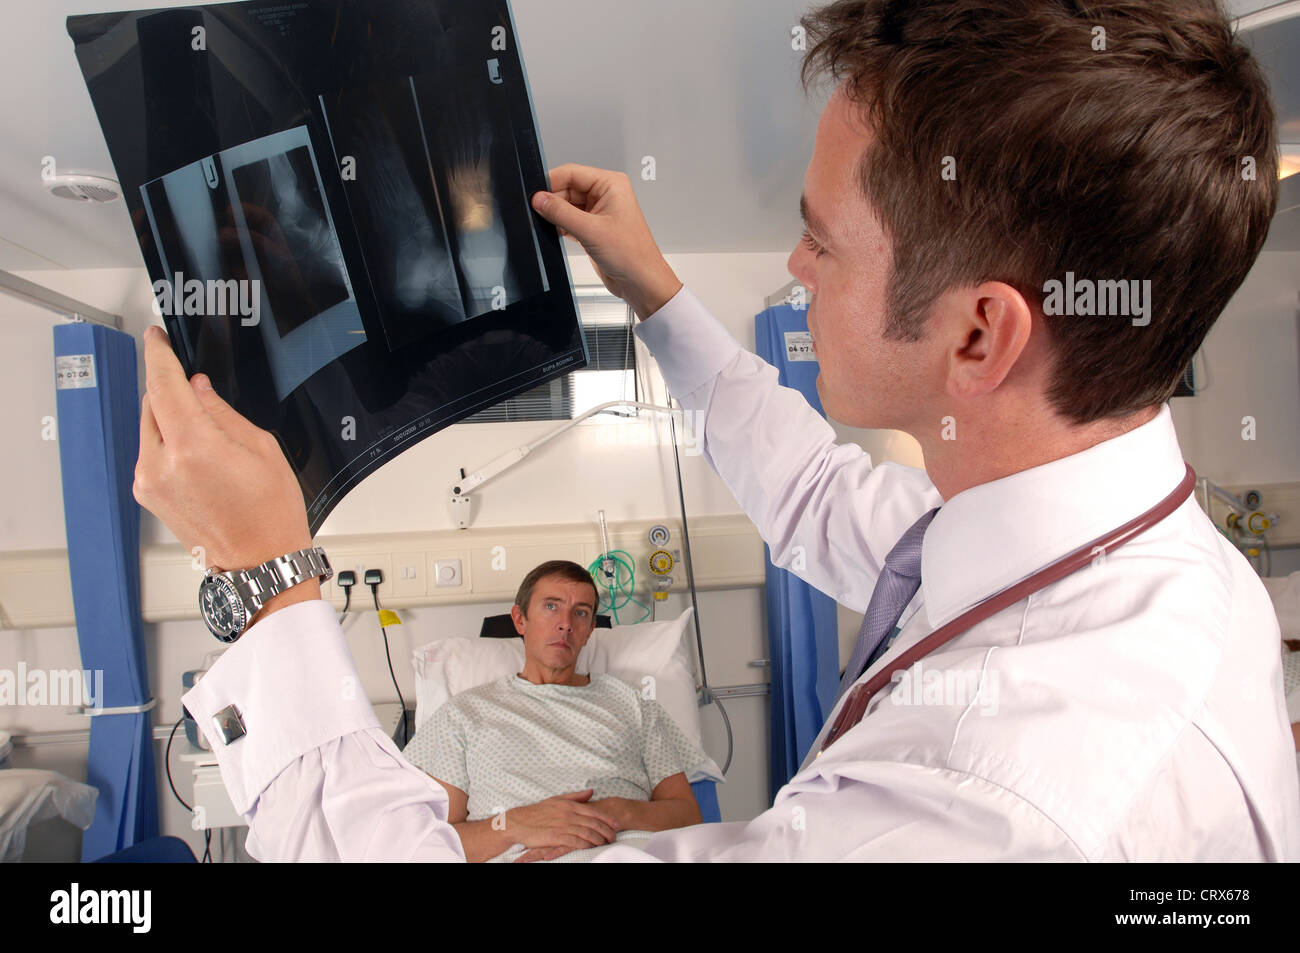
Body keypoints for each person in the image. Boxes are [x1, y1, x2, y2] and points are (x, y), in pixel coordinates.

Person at [155, 0, 1300, 860]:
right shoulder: (1129, 560)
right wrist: (655, 293)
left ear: (976, 339)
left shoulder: (991, 807)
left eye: (820, 241)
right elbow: (813, 494)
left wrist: (263, 578)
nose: (795, 269)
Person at [402, 560, 703, 862]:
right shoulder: (464, 714)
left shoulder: (632, 705)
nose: (566, 623)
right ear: (520, 620)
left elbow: (688, 815)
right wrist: (515, 826)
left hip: (628, 852)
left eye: (581, 613)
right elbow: (436, 845)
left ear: (589, 631)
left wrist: (613, 812)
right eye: (551, 606)